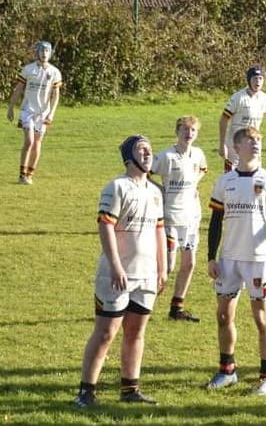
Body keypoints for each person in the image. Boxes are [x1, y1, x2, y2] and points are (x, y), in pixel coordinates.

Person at [74, 135, 167, 408]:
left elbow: (160, 230)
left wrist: (162, 267)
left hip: (146, 275)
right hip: (116, 276)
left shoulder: (154, 191)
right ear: (129, 157)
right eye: (142, 149)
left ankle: (130, 389)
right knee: (106, 332)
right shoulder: (116, 187)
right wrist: (115, 265)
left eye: (150, 149)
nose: (148, 152)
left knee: (136, 331)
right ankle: (86, 392)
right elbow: (105, 226)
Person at [205, 126, 266, 396]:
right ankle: (227, 370)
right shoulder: (224, 181)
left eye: (258, 141)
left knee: (261, 316)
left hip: (257, 259)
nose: (255, 145)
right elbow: (216, 221)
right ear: (236, 147)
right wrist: (210, 257)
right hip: (229, 258)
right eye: (250, 141)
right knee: (223, 314)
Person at [151, 116, 208, 323]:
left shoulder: (198, 154)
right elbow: (146, 172)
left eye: (193, 130)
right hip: (171, 217)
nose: (189, 133)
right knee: (168, 266)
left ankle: (177, 308)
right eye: (185, 129)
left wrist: (193, 185)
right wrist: (160, 190)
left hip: (191, 216)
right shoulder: (166, 155)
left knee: (190, 263)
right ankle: (138, 305)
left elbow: (203, 169)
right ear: (177, 132)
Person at [7, 40, 63, 184]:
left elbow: (55, 95)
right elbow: (18, 89)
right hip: (27, 111)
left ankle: (29, 174)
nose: (44, 54)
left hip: (43, 114)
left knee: (37, 143)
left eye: (47, 51)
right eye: (42, 51)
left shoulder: (54, 72)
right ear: (36, 52)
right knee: (29, 141)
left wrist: (51, 113)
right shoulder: (28, 69)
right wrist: (11, 107)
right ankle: (21, 175)